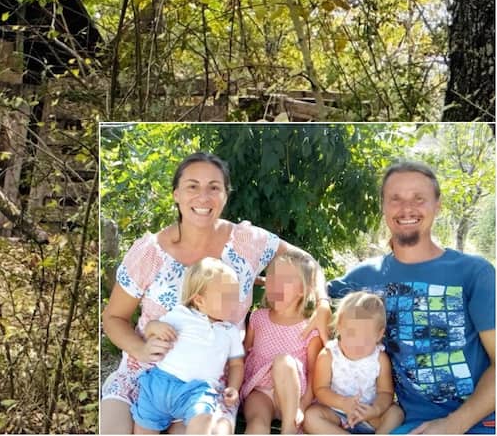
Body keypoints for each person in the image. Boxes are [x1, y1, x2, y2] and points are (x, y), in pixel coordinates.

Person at [102, 152, 331, 434]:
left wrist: (322, 302)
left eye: (214, 187)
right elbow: (113, 317)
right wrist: (141, 349)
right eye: (192, 186)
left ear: (225, 195)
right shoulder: (150, 252)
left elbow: (306, 261)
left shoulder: (246, 242)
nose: (203, 196)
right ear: (176, 194)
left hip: (208, 388)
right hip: (143, 373)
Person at [327, 160, 495, 434]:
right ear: (383, 206)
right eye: (395, 199)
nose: (406, 209)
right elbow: (309, 286)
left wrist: (453, 425)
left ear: (437, 205)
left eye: (419, 199)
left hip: (476, 421)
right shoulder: (363, 278)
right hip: (403, 423)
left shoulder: (474, 273)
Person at [132, 257, 245, 434]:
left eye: (234, 296)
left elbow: (237, 364)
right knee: (143, 427)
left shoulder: (230, 331)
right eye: (226, 297)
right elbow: (149, 329)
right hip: (160, 382)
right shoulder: (180, 314)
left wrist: (234, 387)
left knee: (204, 419)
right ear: (199, 300)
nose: (233, 303)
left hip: (197, 391)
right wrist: (157, 327)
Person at [241, 249, 325, 434]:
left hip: (292, 395)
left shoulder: (309, 327)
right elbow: (244, 354)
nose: (276, 285)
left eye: (285, 281)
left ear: (303, 290)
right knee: (256, 423)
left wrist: (302, 406)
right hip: (259, 389)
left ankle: (288, 429)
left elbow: (314, 373)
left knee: (283, 362)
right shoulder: (258, 318)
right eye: (272, 279)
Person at [304, 291, 403, 434]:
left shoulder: (379, 358)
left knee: (396, 414)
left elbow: (386, 392)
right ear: (339, 327)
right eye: (351, 334)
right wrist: (342, 403)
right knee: (311, 416)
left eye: (366, 337)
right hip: (337, 414)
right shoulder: (329, 355)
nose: (358, 343)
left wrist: (375, 410)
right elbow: (320, 390)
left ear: (379, 335)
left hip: (369, 414)